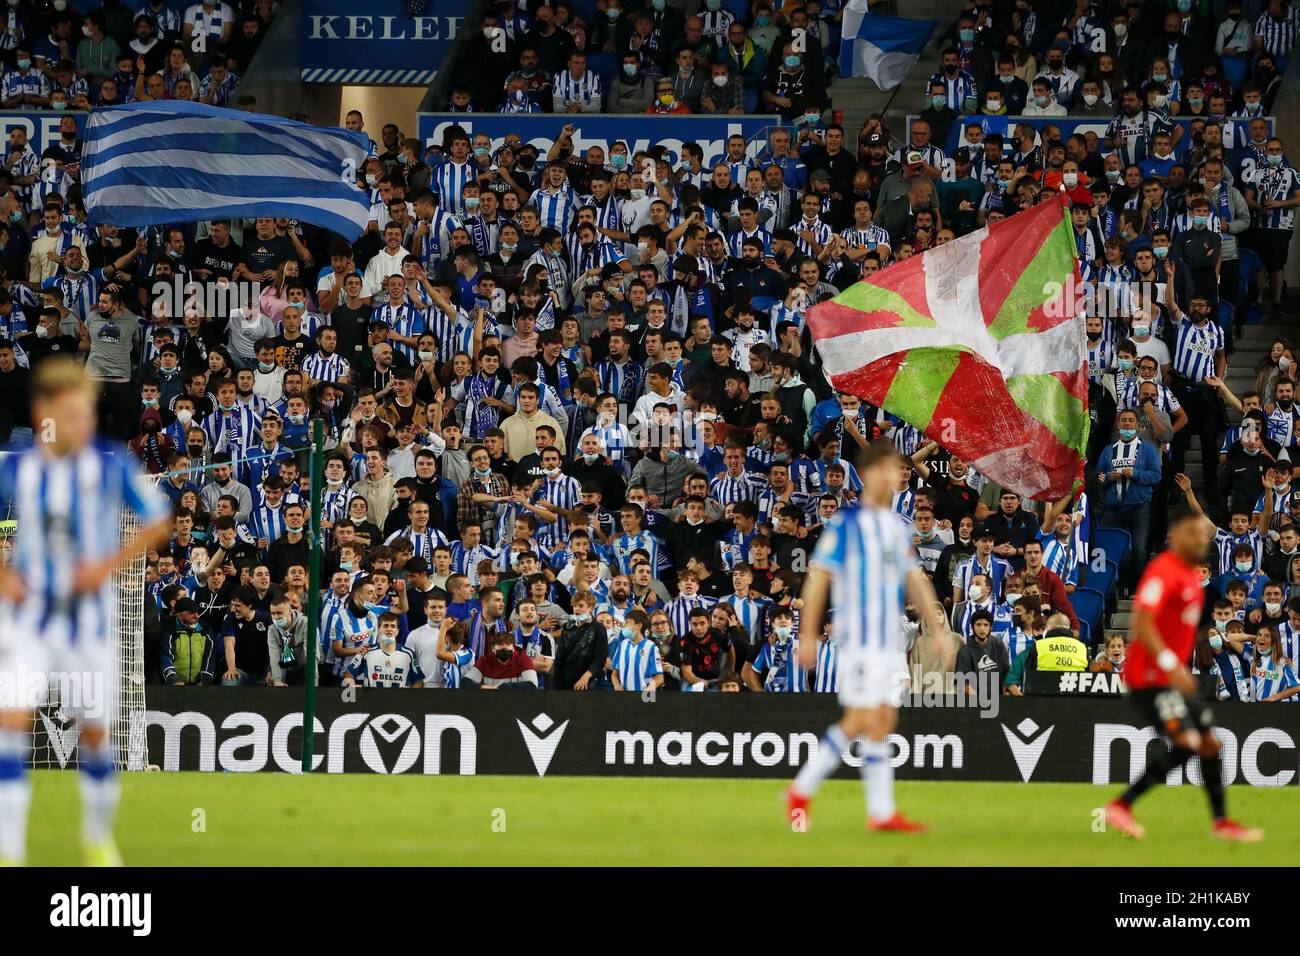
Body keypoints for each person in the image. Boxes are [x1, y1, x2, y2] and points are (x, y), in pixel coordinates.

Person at [0, 358, 172, 867]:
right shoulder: (17, 466)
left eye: (87, 414)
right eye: (72, 414)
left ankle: (97, 839)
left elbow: (158, 520)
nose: (83, 424)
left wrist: (107, 566)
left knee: (97, 734)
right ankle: (10, 849)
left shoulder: (112, 462)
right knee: (9, 725)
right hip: (27, 622)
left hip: (92, 625)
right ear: (44, 413)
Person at [786, 439, 947, 832]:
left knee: (882, 719)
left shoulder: (895, 525)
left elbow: (915, 579)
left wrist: (937, 628)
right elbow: (819, 577)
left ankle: (881, 813)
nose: (896, 476)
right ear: (873, 473)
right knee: (860, 718)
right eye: (892, 469)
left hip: (887, 640)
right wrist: (808, 633)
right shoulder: (846, 523)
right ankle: (801, 791)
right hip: (857, 638)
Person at [1104, 507, 1263, 842]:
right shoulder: (1164, 570)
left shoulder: (1194, 579)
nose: (1200, 540)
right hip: (1149, 679)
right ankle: (1121, 806)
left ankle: (1221, 823)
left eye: (1203, 536)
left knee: (1209, 743)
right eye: (1192, 533)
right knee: (1188, 741)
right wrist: (1171, 664)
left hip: (1171, 680)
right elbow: (1142, 623)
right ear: (1174, 538)